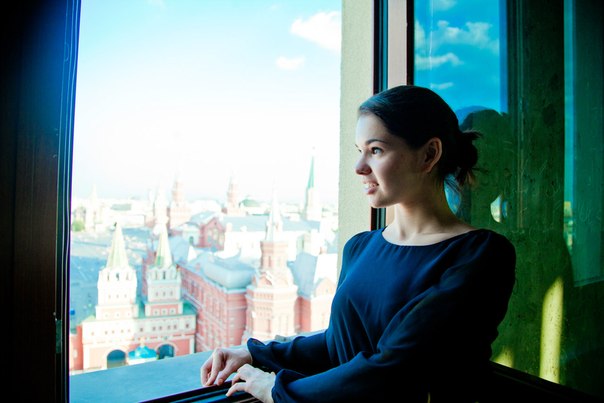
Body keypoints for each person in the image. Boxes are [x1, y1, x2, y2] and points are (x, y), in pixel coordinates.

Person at [200, 85, 517, 402]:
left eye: (375, 150)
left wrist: (277, 390)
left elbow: (394, 370)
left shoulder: (481, 256)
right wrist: (254, 353)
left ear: (429, 155)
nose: (358, 167)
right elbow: (336, 345)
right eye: (359, 150)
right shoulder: (360, 247)